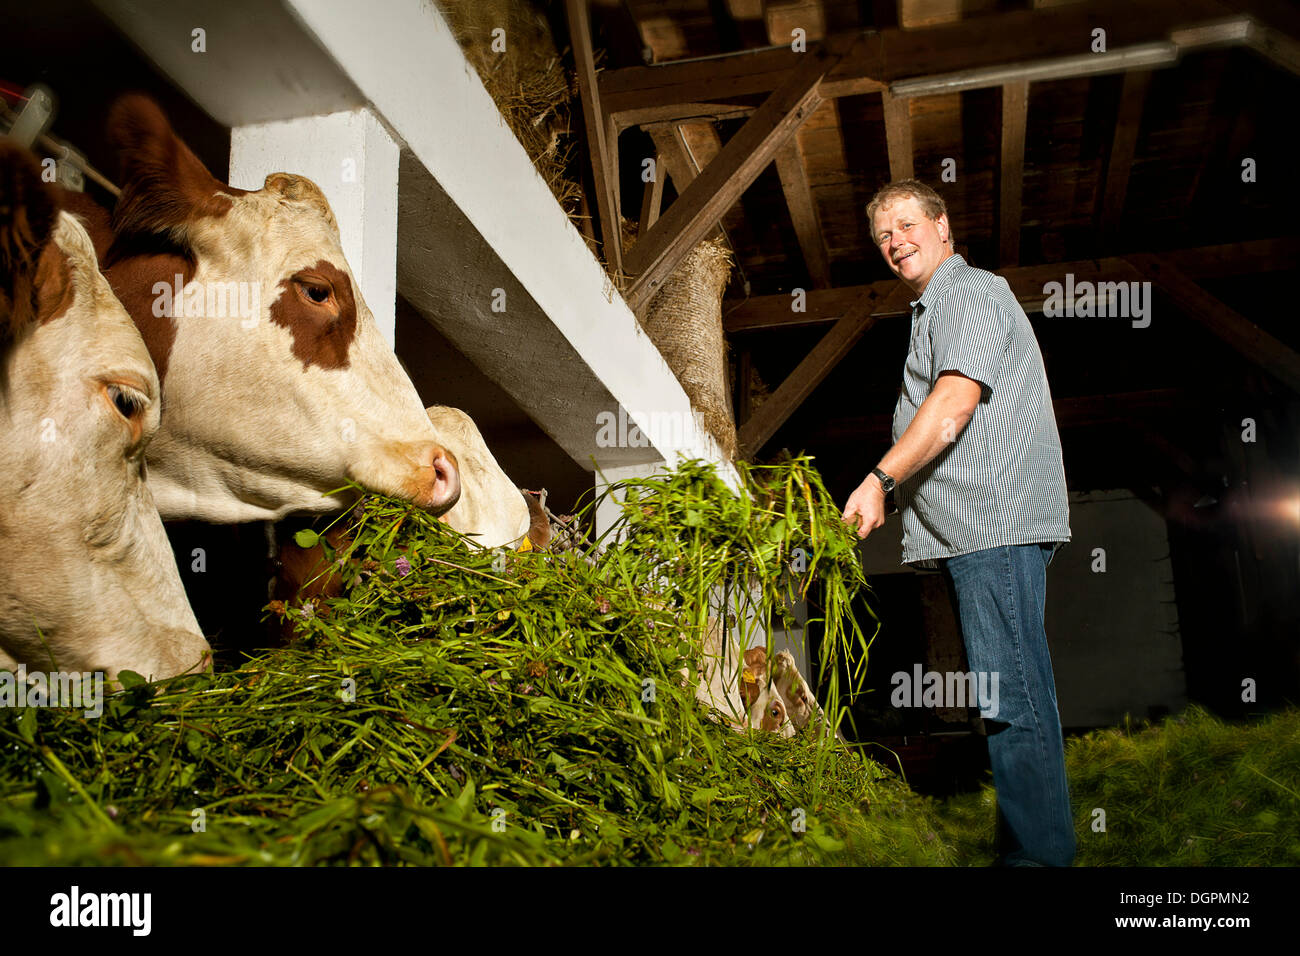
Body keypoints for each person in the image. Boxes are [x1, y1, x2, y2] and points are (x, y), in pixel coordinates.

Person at [840, 179, 1075, 866]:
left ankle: (1039, 859)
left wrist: (882, 478)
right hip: (982, 531)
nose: (895, 241)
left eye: (908, 223)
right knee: (1013, 698)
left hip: (992, 526)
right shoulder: (938, 306)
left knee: (1013, 702)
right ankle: (1030, 851)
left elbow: (956, 401)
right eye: (884, 234)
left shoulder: (966, 291)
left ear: (942, 225)